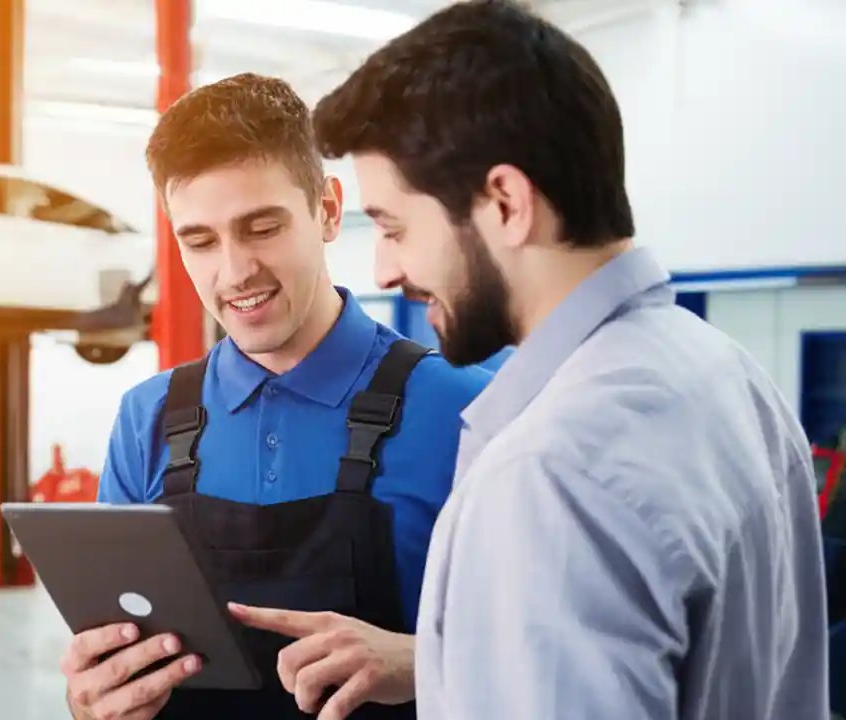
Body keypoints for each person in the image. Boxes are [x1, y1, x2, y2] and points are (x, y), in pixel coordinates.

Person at [309, 1, 831, 718]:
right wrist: (448, 664)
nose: (385, 269)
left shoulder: (552, 473)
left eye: (394, 228)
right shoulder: (730, 377)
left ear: (506, 202)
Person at [57, 73, 491, 720]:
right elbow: (111, 662)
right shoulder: (146, 419)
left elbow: (550, 661)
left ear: (328, 210)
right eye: (200, 241)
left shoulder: (465, 410)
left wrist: (422, 663)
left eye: (261, 228)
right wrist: (93, 699)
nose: (235, 272)